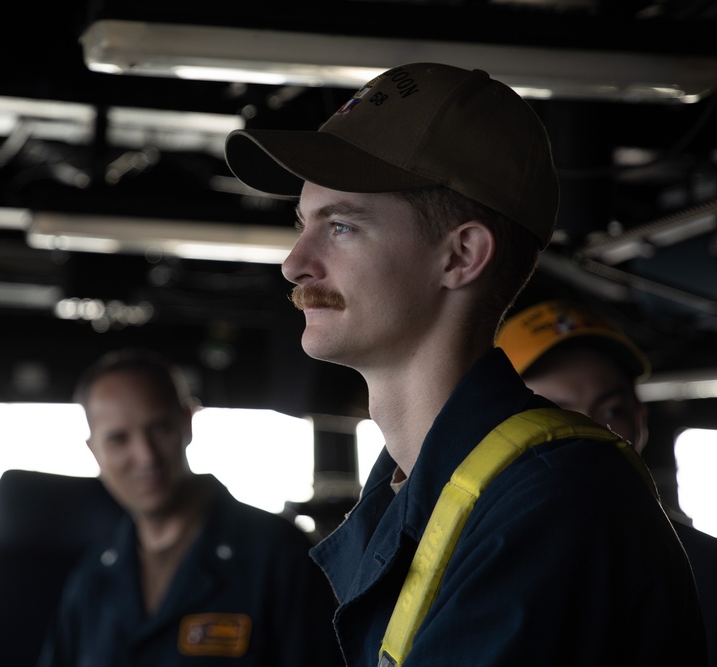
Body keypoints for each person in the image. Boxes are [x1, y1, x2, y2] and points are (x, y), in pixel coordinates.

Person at [224, 62, 707, 665]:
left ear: (461, 256)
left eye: (341, 226)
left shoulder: (553, 503)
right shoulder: (425, 493)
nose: (295, 264)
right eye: (302, 226)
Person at [41, 348, 342, 667]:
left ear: (187, 423)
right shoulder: (90, 579)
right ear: (94, 451)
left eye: (160, 428)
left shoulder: (277, 554)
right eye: (118, 439)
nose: (146, 456)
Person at [497, 298, 717, 666]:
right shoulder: (472, 570)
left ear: (641, 417)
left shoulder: (706, 568)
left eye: (611, 410)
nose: (592, 433)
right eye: (554, 414)